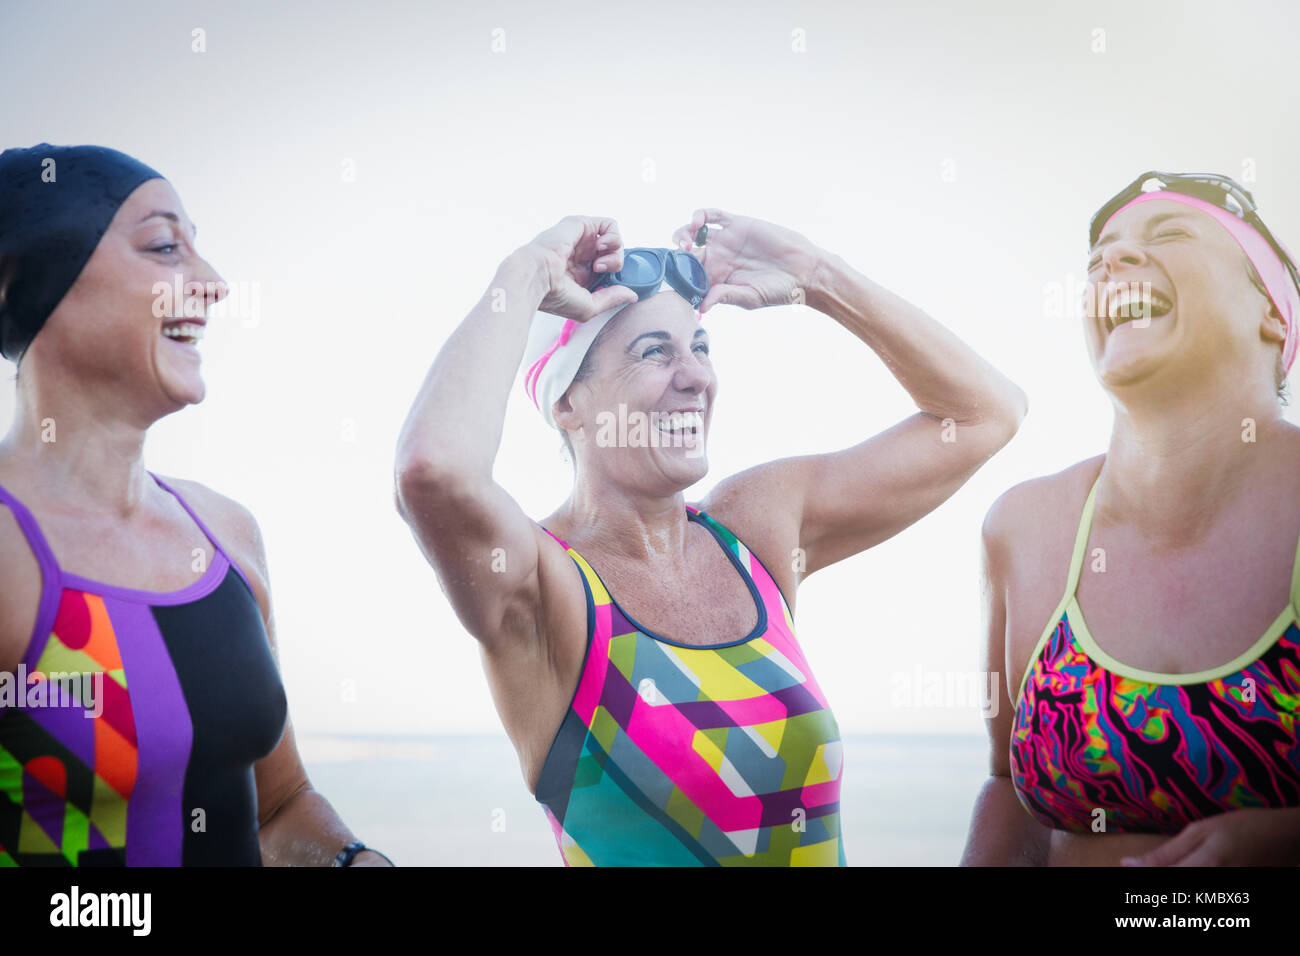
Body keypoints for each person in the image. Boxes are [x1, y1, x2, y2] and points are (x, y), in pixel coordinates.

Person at [395, 209, 1027, 865]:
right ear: (567, 404)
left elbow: (985, 413)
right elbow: (431, 471)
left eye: (700, 348)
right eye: (655, 353)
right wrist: (524, 274)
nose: (697, 377)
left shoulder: (755, 530)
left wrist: (817, 275)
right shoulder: (541, 585)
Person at [0, 143, 390, 866]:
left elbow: (279, 806)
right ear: (31, 280)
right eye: (162, 246)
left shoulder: (225, 535)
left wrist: (354, 861)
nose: (211, 284)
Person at [962, 171, 1300, 867]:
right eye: (1098, 260)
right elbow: (1010, 792)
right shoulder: (1024, 528)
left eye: (1168, 235)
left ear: (1273, 312)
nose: (1111, 263)